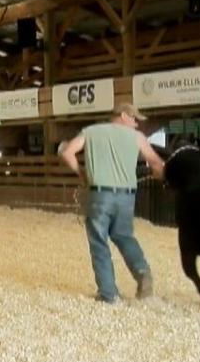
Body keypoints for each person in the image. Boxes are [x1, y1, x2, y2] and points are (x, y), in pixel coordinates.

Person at [60, 103, 166, 304]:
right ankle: (142, 272)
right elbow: (155, 163)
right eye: (135, 119)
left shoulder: (90, 132)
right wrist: (161, 176)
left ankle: (109, 295)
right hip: (126, 197)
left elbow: (67, 152)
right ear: (124, 115)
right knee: (124, 236)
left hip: (99, 195)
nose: (136, 124)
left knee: (99, 243)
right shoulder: (137, 138)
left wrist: (81, 174)